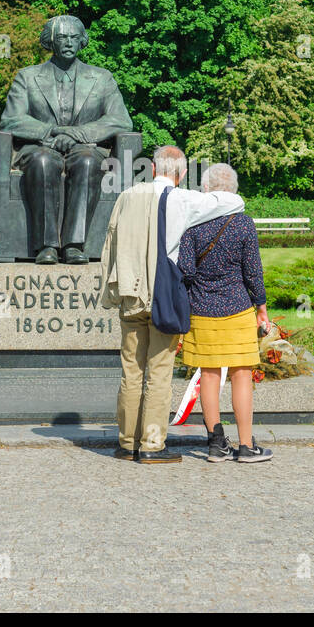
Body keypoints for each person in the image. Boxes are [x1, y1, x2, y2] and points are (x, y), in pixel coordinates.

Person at [100, 146, 244, 463]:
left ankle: (127, 442)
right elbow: (234, 201)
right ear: (180, 173)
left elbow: (109, 244)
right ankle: (152, 444)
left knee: (131, 372)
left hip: (129, 293)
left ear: (152, 168)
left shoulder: (126, 195)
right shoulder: (182, 198)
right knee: (159, 373)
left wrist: (112, 292)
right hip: (162, 296)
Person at [0, 15, 133, 264]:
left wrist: (77, 134)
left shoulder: (102, 78)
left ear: (83, 41)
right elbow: (12, 119)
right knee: (42, 161)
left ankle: (73, 244)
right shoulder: (27, 77)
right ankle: (47, 246)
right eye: (61, 37)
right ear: (50, 42)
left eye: (74, 37)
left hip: (86, 147)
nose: (68, 42)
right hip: (40, 147)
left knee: (88, 162)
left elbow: (120, 120)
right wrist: (51, 132)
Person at [178, 163, 272, 463]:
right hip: (238, 309)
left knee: (208, 374)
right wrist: (262, 309)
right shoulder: (244, 224)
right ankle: (246, 446)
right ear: (233, 189)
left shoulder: (192, 224)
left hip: (202, 309)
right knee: (241, 375)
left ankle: (216, 444)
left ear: (206, 189)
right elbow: (253, 272)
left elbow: (186, 270)